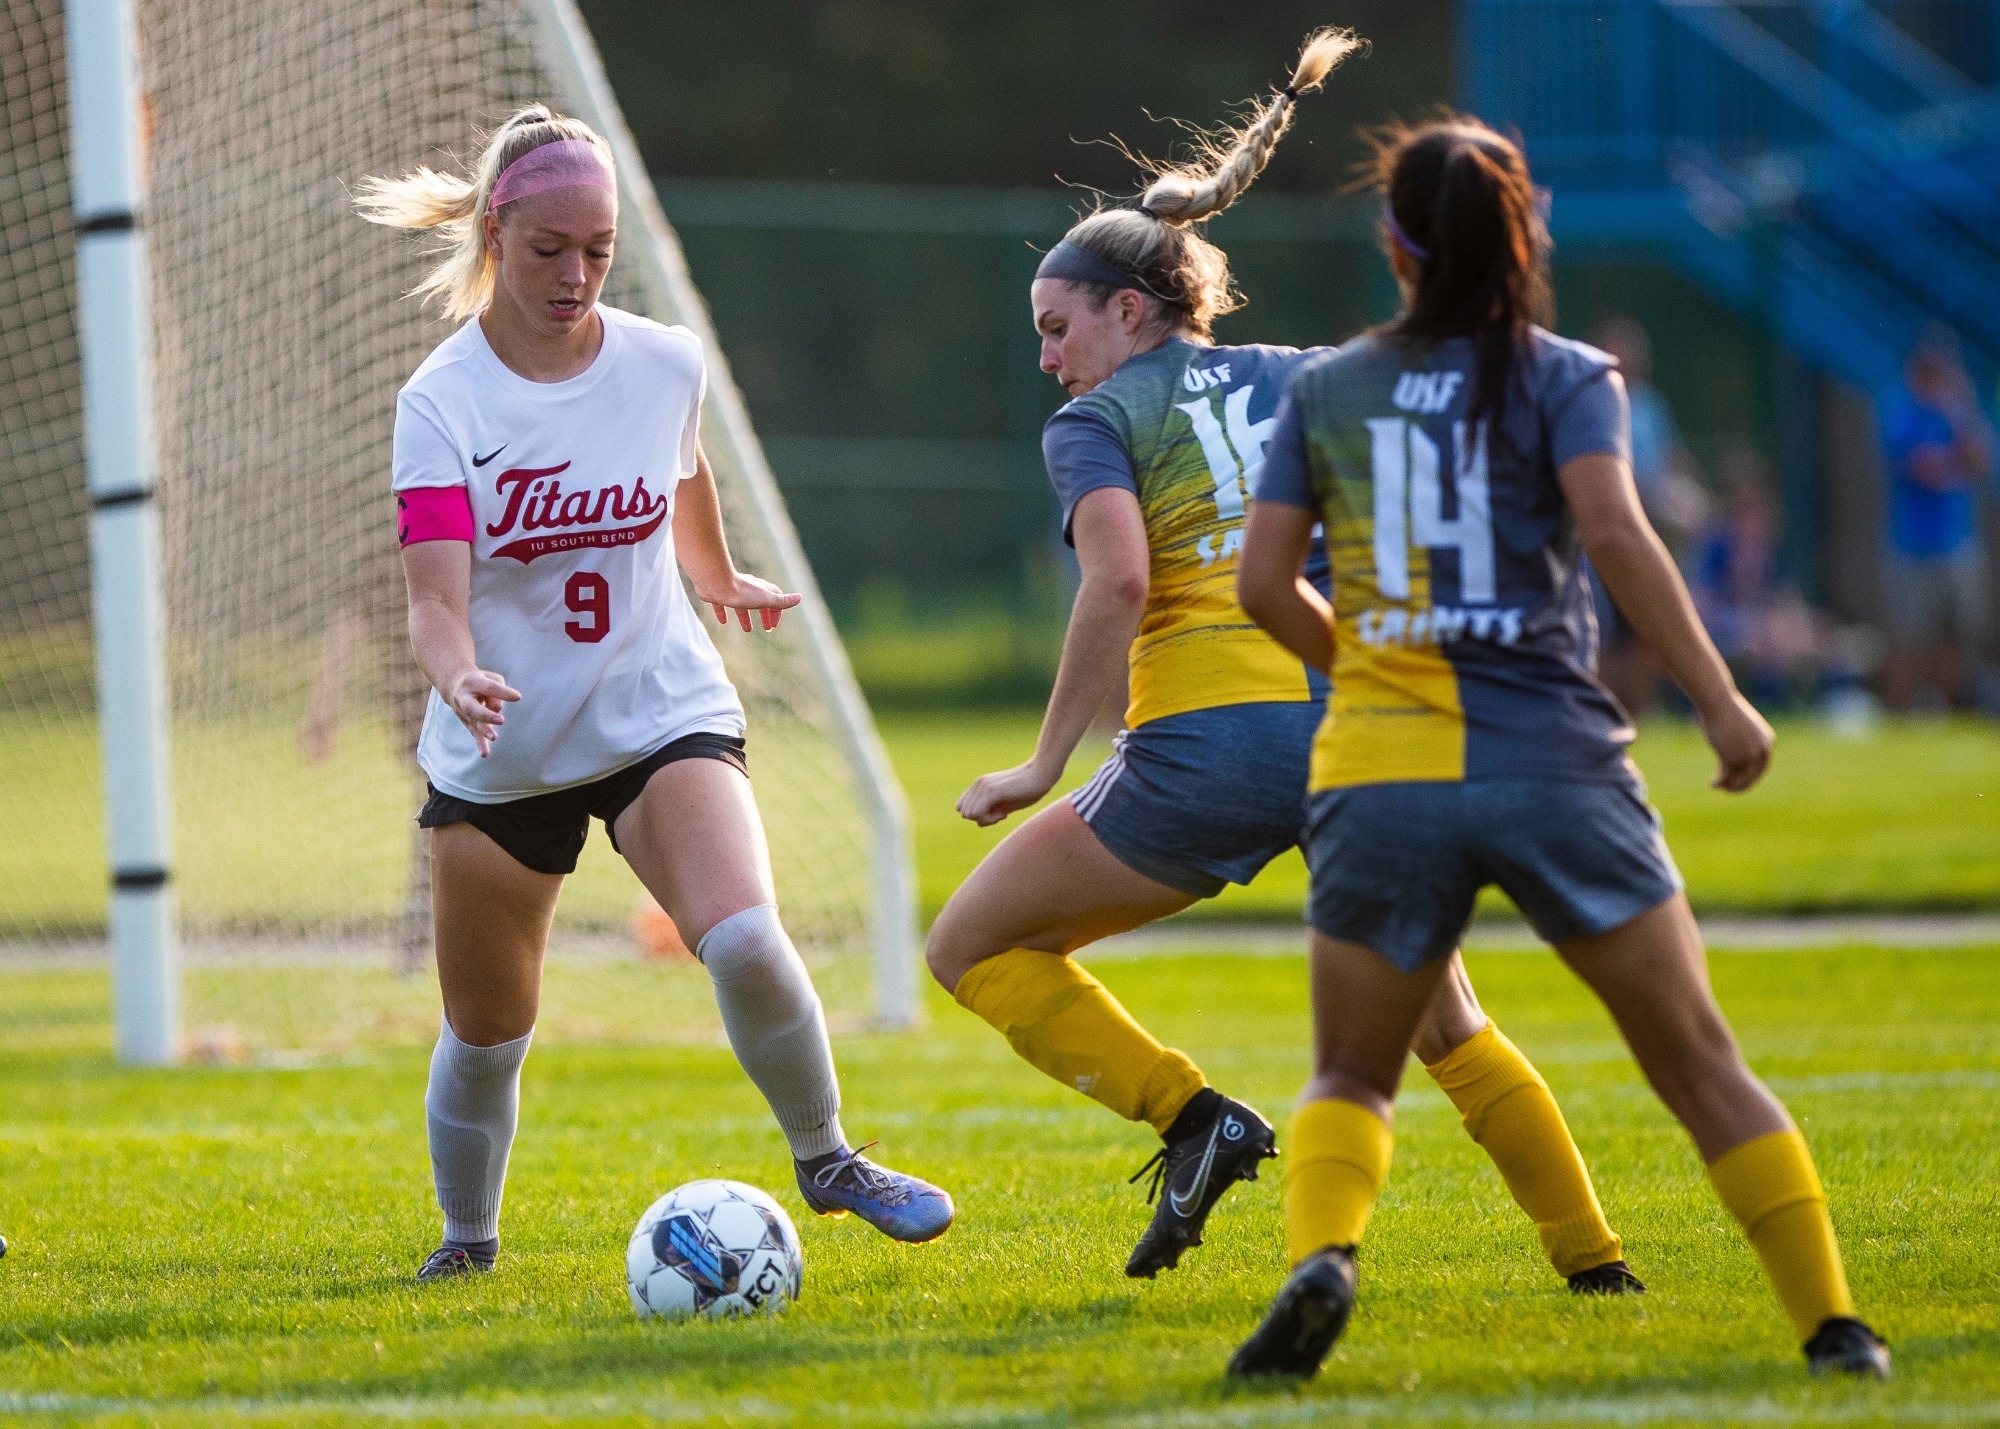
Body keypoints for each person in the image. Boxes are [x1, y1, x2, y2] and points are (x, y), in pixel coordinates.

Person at [927, 32, 1639, 1295]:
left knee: (971, 947)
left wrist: (1043, 761)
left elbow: (1121, 580)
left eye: (1055, 328)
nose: (1047, 356)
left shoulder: (1093, 420)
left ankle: (1195, 1118)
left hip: (1210, 750)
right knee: (1449, 1028)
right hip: (1367, 735)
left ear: (1126, 312)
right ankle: (1594, 1266)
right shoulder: (1314, 375)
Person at [1232, 115, 1889, 1380]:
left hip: (1381, 765)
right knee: (1699, 1064)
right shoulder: (1573, 375)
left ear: (1392, 244)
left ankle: (1324, 1257)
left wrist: (1368, 665)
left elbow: (1264, 585)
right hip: (1555, 761)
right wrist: (1720, 699)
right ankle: (1831, 1325)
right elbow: (1617, 534)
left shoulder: (1325, 388)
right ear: (1523, 232)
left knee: (1353, 1075)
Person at [354, 104, 952, 1281]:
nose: (575, 275)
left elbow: (681, 465)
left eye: (598, 251)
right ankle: (467, 1244)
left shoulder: (663, 359)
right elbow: (432, 599)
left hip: (655, 709)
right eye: (548, 251)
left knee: (741, 939)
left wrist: (715, 574)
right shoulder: (441, 401)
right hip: (503, 747)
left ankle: (828, 1158)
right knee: (485, 1040)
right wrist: (455, 671)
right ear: (492, 233)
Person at [1587, 316, 1711, 717]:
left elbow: (1672, 460)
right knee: (1603, 635)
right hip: (1606, 532)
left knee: (1644, 634)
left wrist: (1693, 498)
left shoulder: (1649, 407)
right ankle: (1602, 713)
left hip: (1647, 531)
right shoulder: (1591, 401)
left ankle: (1640, 714)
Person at [1877, 326, 1994, 711]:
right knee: (1908, 636)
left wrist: (1958, 413)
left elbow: (1980, 460)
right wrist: (1955, 464)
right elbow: (1920, 466)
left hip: (1956, 542)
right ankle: (1899, 712)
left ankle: (1948, 710)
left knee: (1955, 636)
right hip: (1911, 544)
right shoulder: (1899, 408)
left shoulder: (1959, 411)